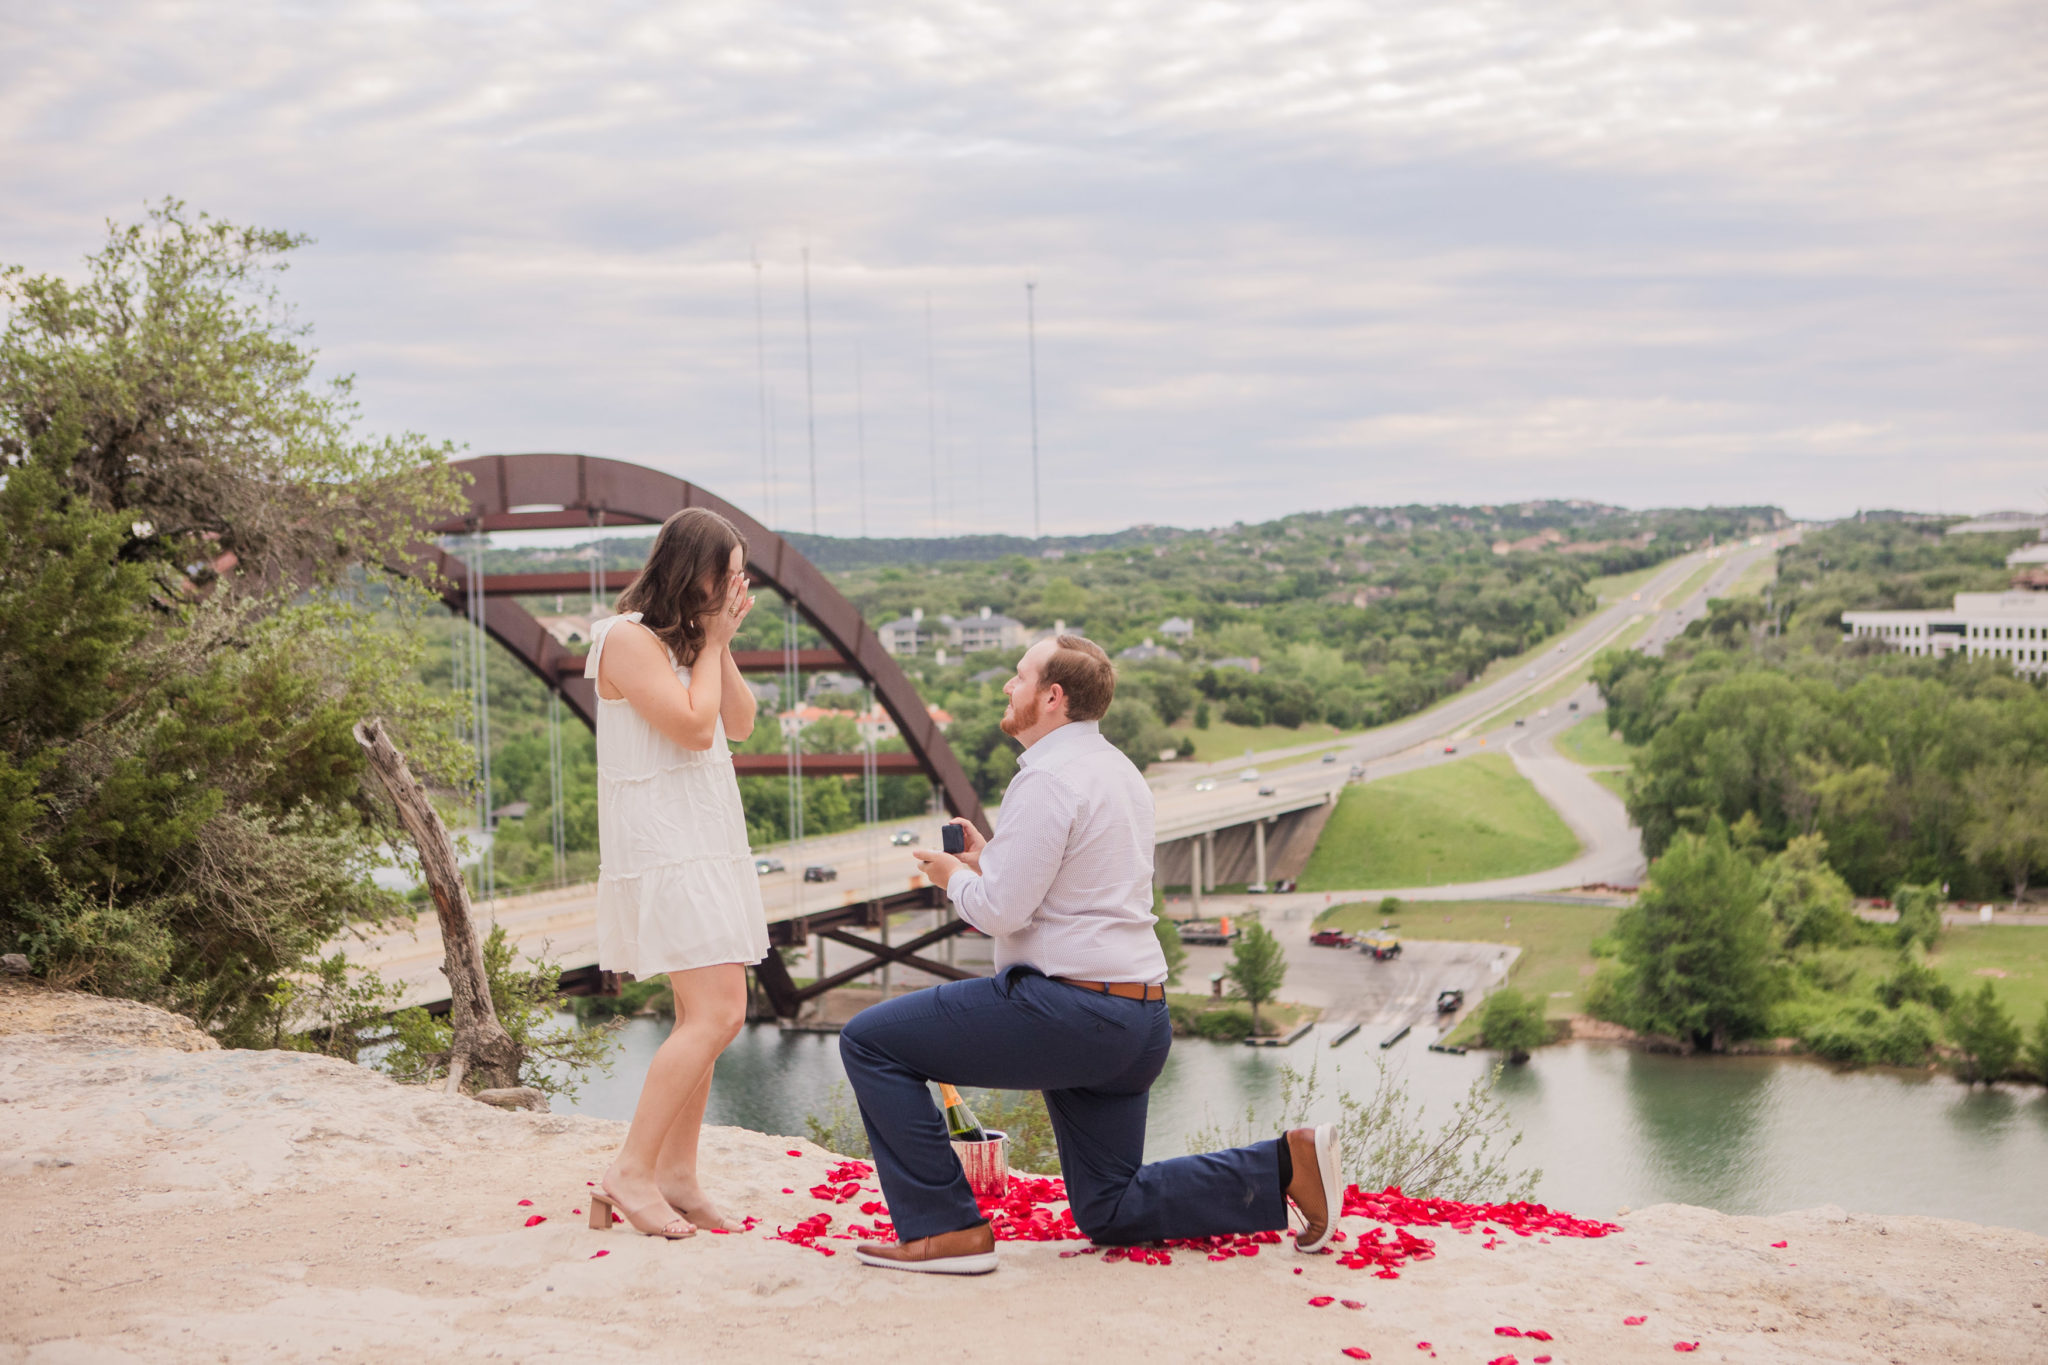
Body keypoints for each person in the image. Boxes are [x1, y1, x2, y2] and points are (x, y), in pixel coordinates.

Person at [838, 635, 1340, 1274]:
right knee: (1110, 1208)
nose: (1006, 688)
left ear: (1052, 697)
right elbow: (1075, 884)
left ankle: (946, 1231)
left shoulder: (1047, 778)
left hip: (1068, 1011)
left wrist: (950, 877)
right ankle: (1286, 1164)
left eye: (1018, 678)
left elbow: (998, 912)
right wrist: (991, 859)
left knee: (871, 1042)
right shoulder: (1118, 770)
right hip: (1137, 1018)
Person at [582, 508, 765, 1240]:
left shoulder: (686, 644)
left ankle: (679, 1176)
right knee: (720, 1011)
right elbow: (694, 727)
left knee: (711, 1016)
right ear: (694, 569)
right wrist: (713, 640)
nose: (737, 585)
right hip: (663, 846)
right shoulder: (624, 638)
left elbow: (741, 721)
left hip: (705, 842)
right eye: (730, 571)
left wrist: (718, 644)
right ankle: (630, 1170)